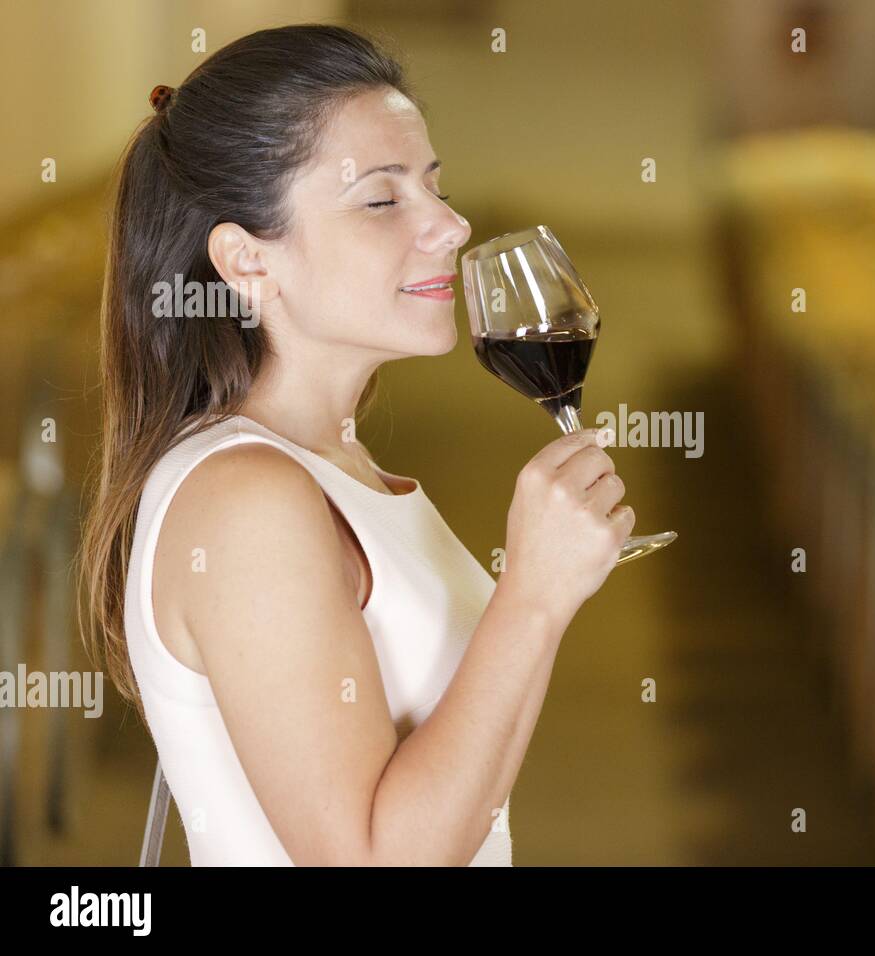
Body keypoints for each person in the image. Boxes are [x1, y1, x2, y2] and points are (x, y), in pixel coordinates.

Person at [76, 23, 634, 866]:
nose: (451, 224)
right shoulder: (245, 503)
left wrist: (538, 598)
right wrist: (533, 597)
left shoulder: (335, 471)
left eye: (434, 187)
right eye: (383, 199)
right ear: (242, 258)